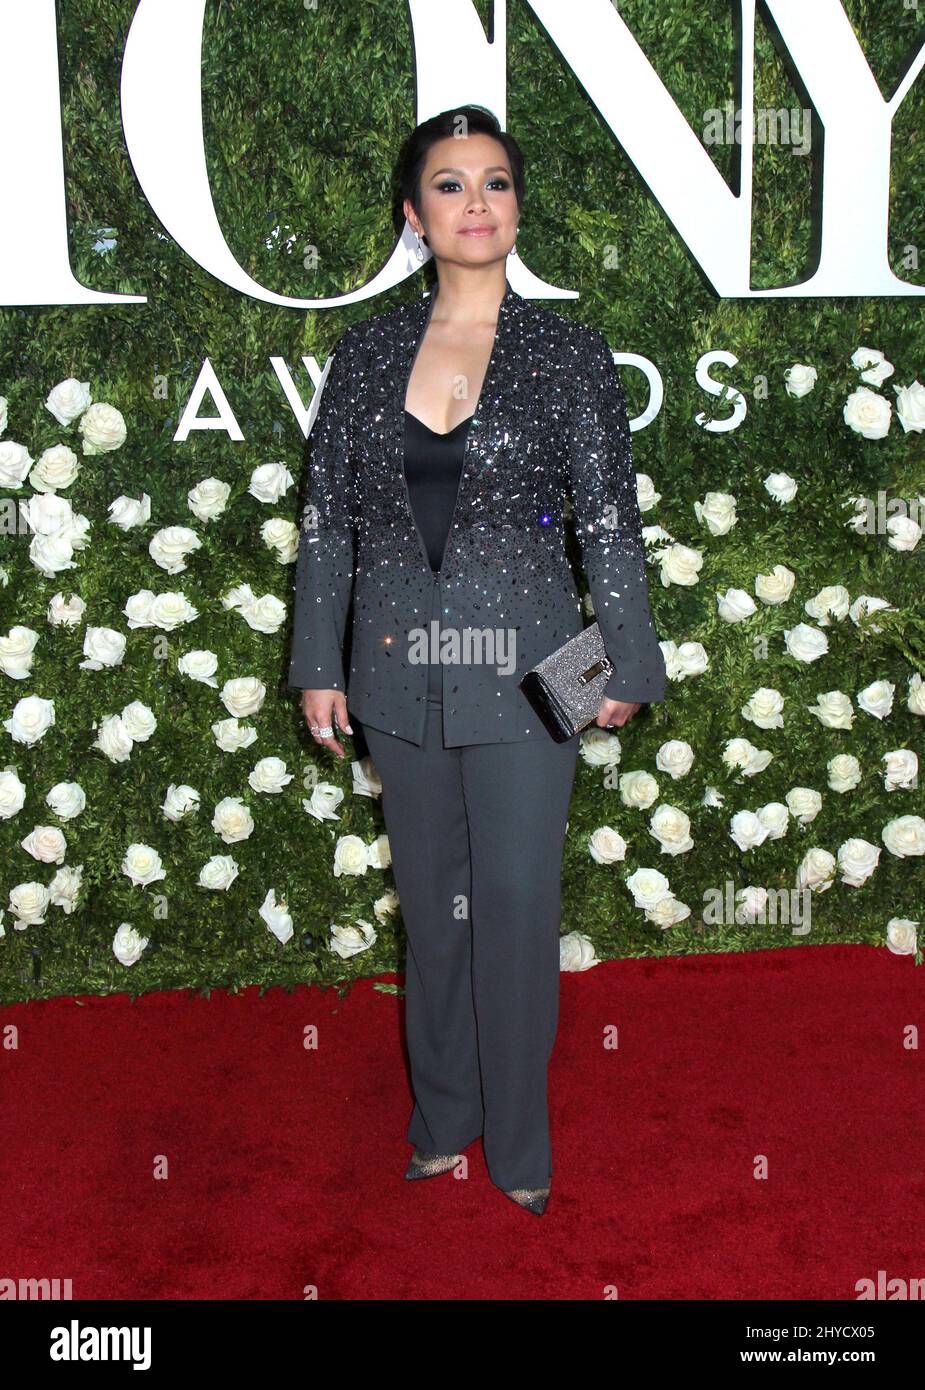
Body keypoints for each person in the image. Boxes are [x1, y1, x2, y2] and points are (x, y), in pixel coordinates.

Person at [288, 105, 666, 1215]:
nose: (475, 203)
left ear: (514, 207)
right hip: (398, 672)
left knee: (512, 900)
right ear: (414, 218)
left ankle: (518, 1137)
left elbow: (608, 523)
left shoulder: (567, 351)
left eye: (495, 182)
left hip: (541, 672)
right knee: (431, 901)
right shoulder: (363, 355)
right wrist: (320, 660)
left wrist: (625, 669)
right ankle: (441, 1115)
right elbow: (326, 525)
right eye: (449, 186)